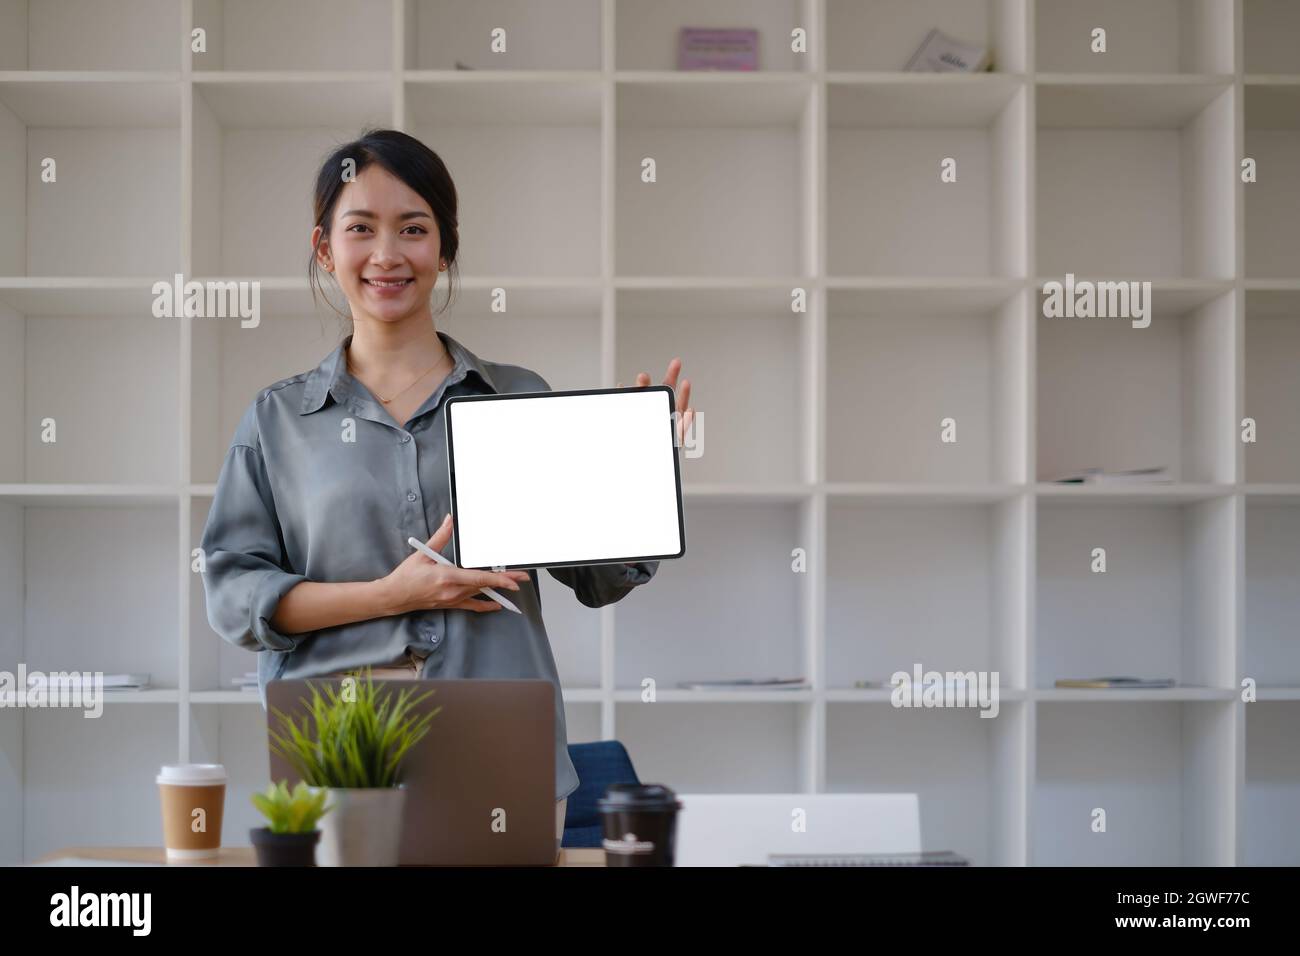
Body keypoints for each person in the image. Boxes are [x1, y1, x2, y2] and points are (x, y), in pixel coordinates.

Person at [199, 128, 696, 852]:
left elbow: (597, 577)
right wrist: (391, 596)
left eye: (414, 229)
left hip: (500, 738)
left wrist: (644, 478)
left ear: (446, 247)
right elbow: (234, 598)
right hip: (338, 741)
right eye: (360, 228)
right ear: (324, 247)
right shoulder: (279, 419)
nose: (387, 254)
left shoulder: (518, 398)